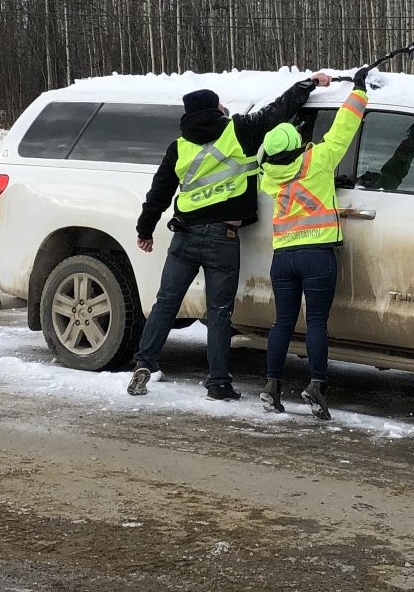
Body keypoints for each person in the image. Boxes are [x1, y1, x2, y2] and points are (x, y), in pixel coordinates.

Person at [128, 71, 333, 401]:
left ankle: (144, 362)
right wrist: (307, 84)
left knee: (166, 303)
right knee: (219, 312)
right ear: (215, 109)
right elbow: (278, 111)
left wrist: (145, 230)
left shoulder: (178, 147)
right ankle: (218, 382)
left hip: (184, 236)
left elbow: (158, 194)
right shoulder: (237, 131)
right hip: (223, 237)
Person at [255, 71, 370, 421]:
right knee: (316, 322)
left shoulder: (267, 177)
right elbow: (345, 125)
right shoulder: (319, 159)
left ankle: (272, 387)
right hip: (317, 256)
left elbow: (265, 155)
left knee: (283, 323)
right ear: (299, 144)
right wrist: (359, 89)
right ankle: (316, 385)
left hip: (283, 258)